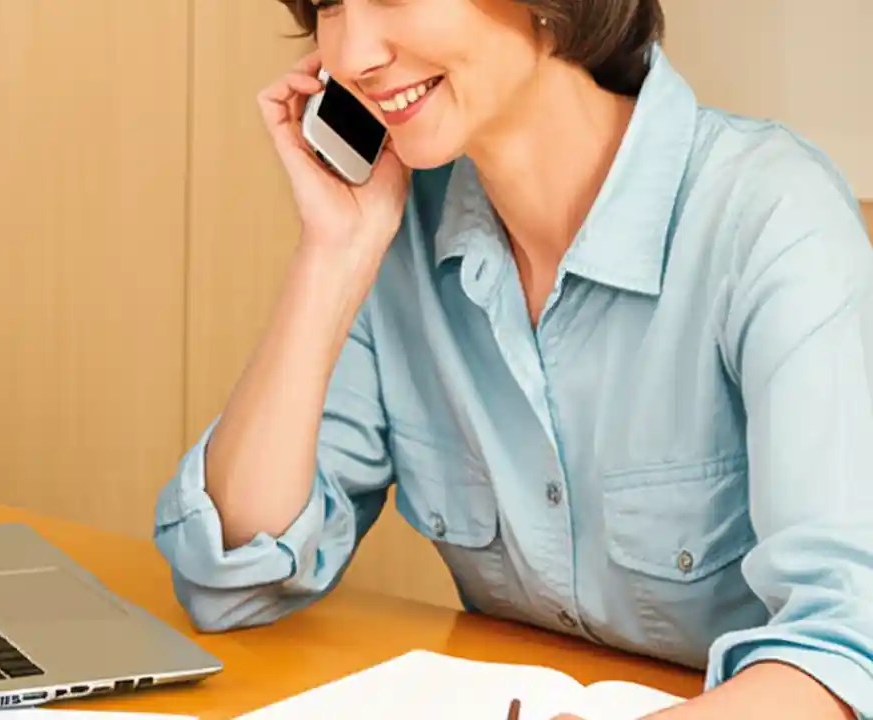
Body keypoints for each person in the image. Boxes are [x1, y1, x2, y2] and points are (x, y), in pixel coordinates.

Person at [152, 0, 873, 717]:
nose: (353, 55)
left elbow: (847, 651)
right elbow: (232, 578)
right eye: (330, 6)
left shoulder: (772, 218)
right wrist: (333, 255)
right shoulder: (401, 230)